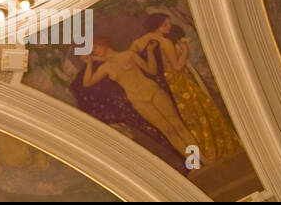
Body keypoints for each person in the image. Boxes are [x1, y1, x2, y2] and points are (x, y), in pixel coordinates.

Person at [132, 15, 241, 164]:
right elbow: (177, 67)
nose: (169, 26)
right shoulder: (165, 42)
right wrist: (185, 51)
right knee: (197, 112)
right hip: (178, 82)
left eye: (169, 23)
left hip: (161, 84)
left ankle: (203, 154)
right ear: (157, 25)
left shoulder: (141, 43)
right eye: (165, 24)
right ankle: (211, 149)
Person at [82, 37, 196, 156]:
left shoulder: (129, 54)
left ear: (104, 44)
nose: (94, 51)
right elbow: (87, 83)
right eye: (92, 51)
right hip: (138, 101)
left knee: (178, 125)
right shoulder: (105, 68)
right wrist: (89, 64)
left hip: (154, 92)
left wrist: (150, 52)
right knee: (168, 131)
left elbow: (151, 70)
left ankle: (200, 157)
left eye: (95, 47)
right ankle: (192, 160)